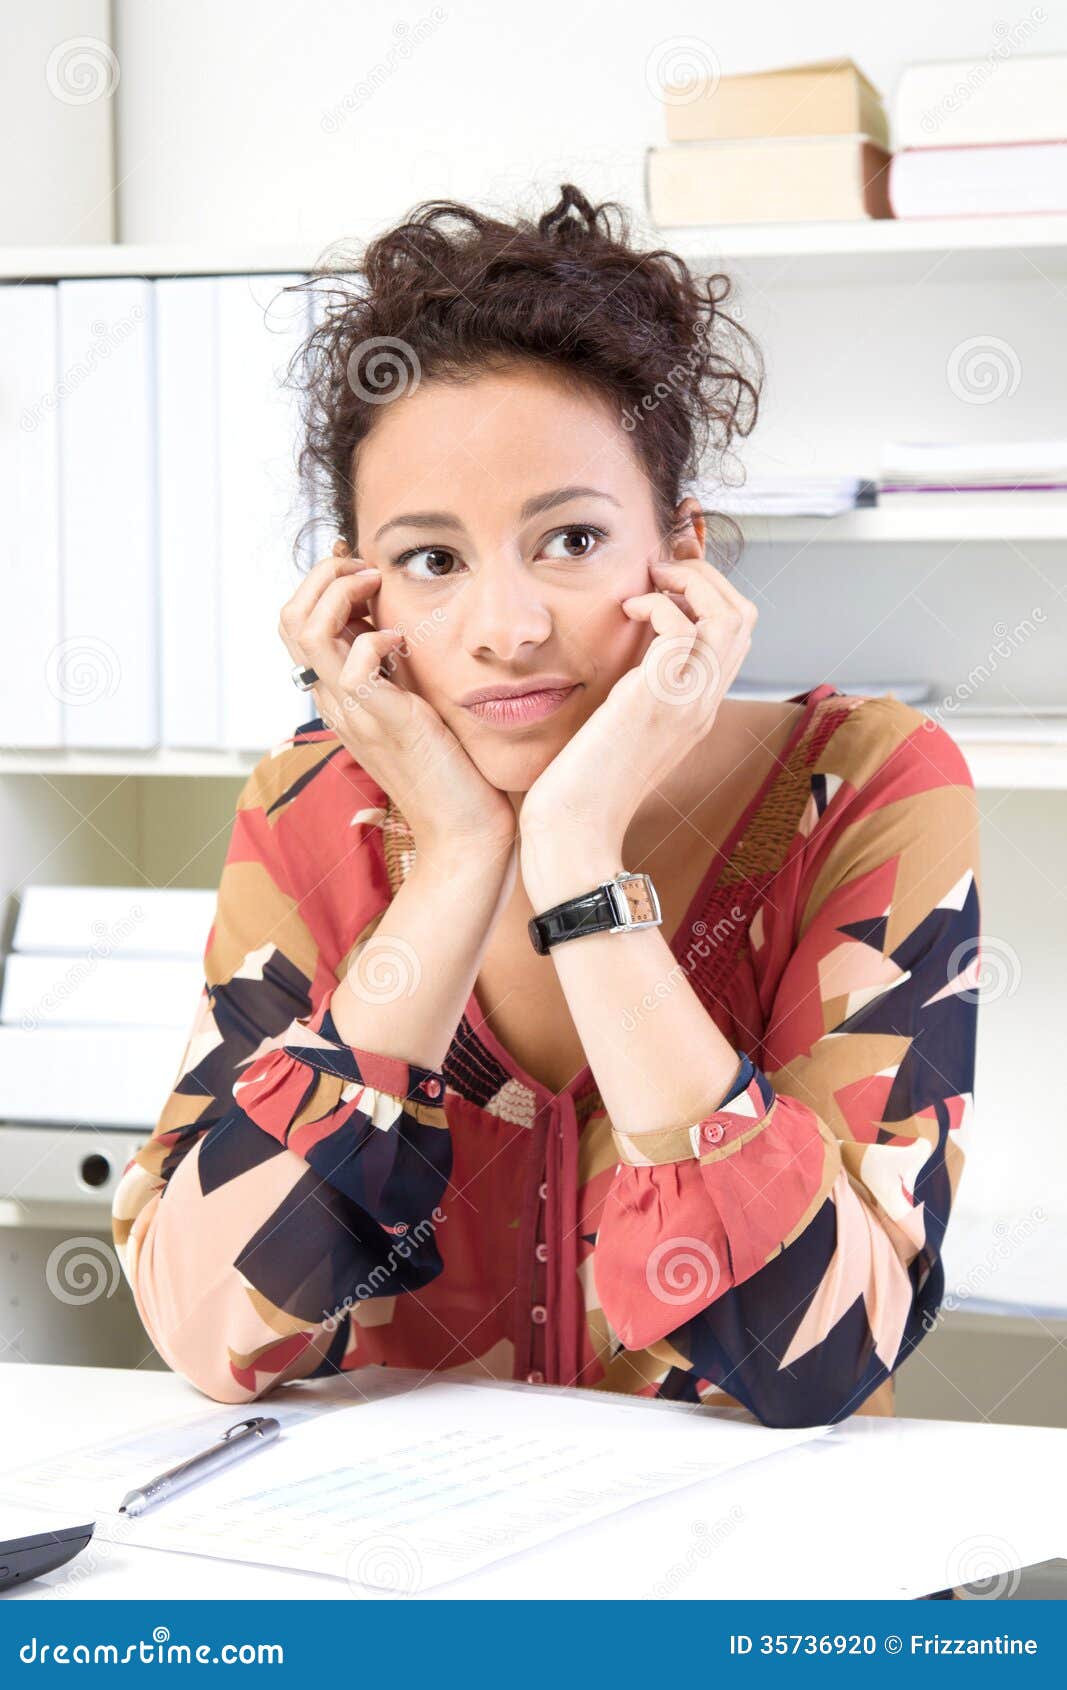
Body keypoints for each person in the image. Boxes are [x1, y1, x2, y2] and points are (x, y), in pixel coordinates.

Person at [112, 184, 981, 1425]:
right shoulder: (308, 805)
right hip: (402, 1567)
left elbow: (817, 1355)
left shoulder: (865, 789)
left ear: (675, 553)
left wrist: (576, 861)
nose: (507, 632)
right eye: (431, 561)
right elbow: (210, 1332)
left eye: (569, 541)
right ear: (359, 596)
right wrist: (459, 856)